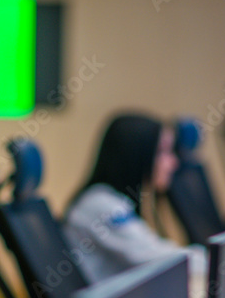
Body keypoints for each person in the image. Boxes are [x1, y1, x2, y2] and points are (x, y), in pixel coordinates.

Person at [63, 112, 207, 283]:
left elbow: (154, 248)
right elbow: (157, 257)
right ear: (136, 155)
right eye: (163, 152)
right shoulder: (101, 205)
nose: (173, 162)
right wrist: (215, 260)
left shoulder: (111, 200)